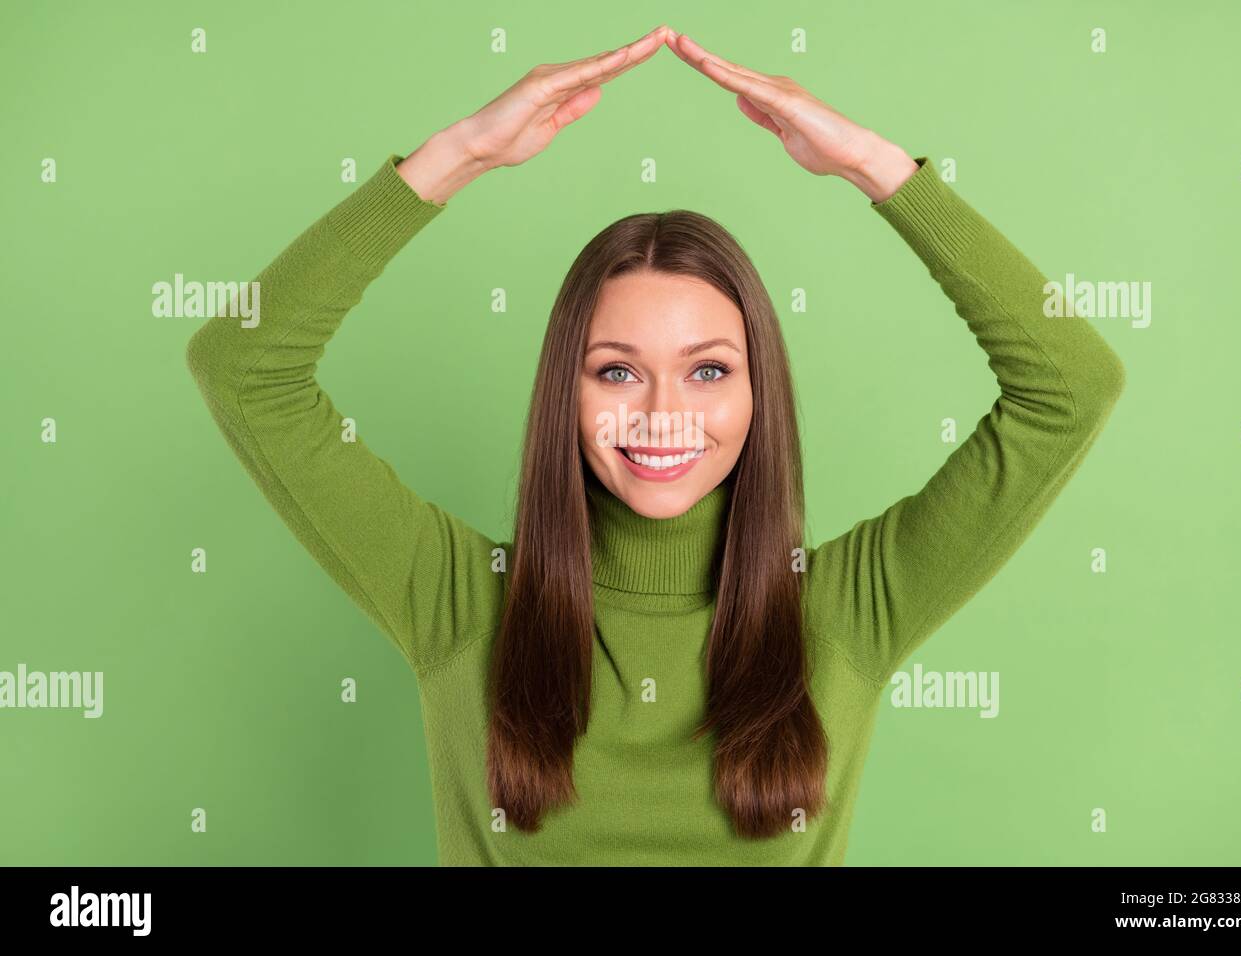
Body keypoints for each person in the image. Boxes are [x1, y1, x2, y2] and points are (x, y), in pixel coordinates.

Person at [186, 25, 1125, 865]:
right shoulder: (460, 604)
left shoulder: (845, 613)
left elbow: (1070, 386)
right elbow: (243, 363)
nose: (662, 413)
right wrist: (461, 154)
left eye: (709, 370)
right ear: (567, 390)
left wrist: (877, 169)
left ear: (761, 394)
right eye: (617, 371)